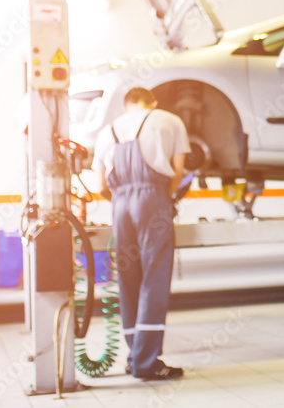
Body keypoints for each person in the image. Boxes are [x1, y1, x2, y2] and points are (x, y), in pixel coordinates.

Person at [93, 87, 190, 380]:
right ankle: (147, 363)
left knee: (129, 276)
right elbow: (177, 171)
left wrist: (124, 201)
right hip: (153, 201)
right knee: (154, 275)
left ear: (126, 107)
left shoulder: (106, 131)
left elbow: (99, 186)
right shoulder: (169, 120)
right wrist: (161, 201)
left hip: (120, 205)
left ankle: (136, 356)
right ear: (152, 102)